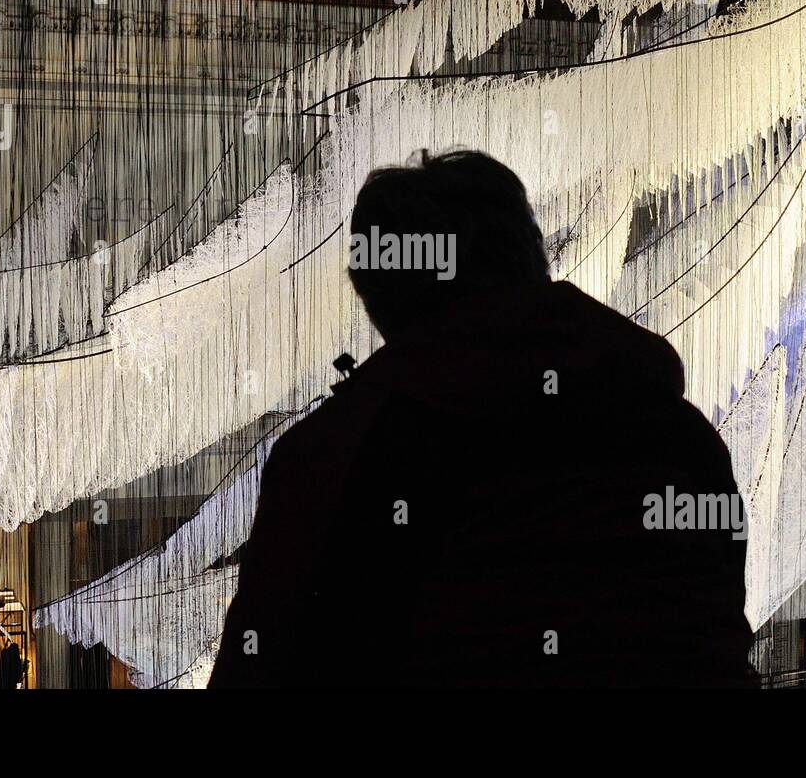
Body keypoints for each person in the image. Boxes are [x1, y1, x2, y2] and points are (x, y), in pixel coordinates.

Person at [210, 150, 755, 688]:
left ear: (379, 297)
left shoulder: (340, 456)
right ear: (529, 259)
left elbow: (260, 664)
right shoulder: (678, 437)